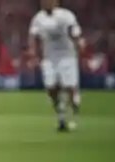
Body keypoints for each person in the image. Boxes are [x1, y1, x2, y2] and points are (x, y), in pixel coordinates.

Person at [30, 0, 85, 132]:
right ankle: (61, 117)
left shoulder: (66, 15)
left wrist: (79, 43)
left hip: (67, 56)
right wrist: (33, 53)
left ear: (55, 2)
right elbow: (33, 36)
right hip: (49, 57)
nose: (44, 3)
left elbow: (74, 32)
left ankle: (73, 101)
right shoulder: (38, 18)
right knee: (50, 88)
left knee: (69, 87)